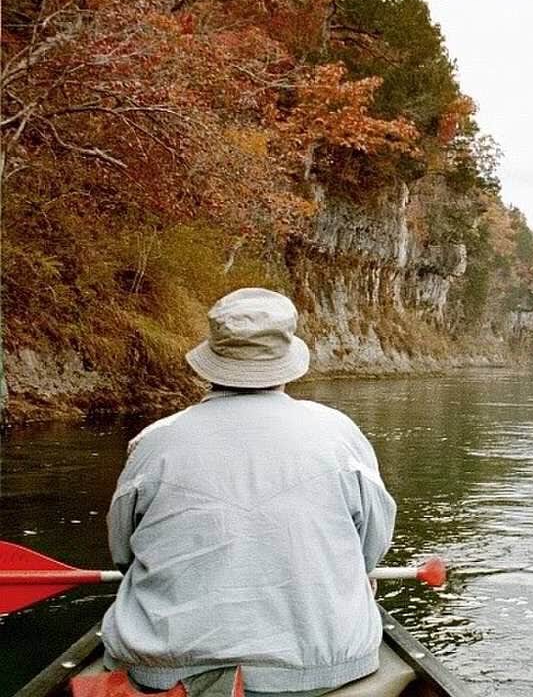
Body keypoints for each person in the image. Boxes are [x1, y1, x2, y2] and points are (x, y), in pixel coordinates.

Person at [102, 288, 396, 696]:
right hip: (323, 668)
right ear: (287, 362)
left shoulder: (154, 442)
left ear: (212, 360)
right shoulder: (340, 435)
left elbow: (123, 555)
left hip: (168, 671)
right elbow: (371, 549)